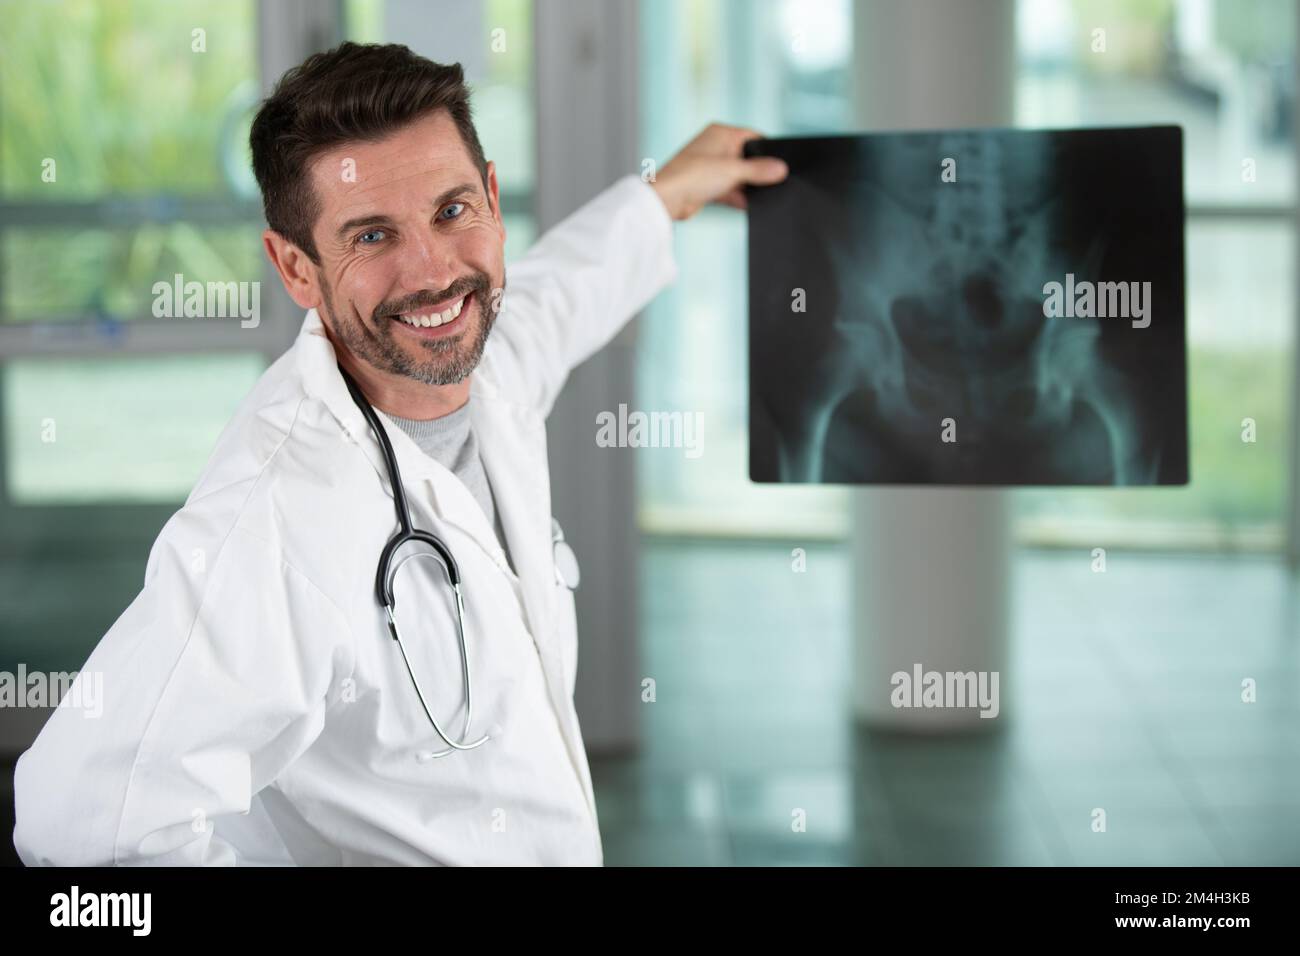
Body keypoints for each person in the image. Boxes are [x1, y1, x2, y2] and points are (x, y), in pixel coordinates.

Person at [12, 41, 787, 866]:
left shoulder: (489, 367)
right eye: (374, 235)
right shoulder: (277, 515)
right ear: (295, 268)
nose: (434, 273)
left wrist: (667, 193)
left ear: (490, 197)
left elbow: (562, 292)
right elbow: (82, 826)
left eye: (452, 211)